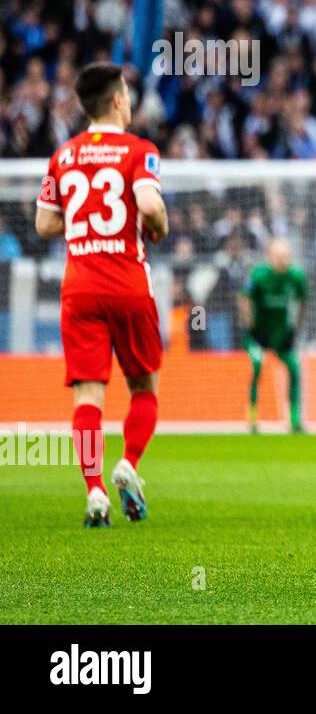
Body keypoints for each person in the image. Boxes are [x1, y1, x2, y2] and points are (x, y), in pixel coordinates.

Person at [34, 63, 168, 528]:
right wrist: (160, 225)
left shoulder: (64, 155)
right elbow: (149, 205)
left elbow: (44, 223)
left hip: (80, 287)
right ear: (117, 100)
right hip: (128, 284)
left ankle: (94, 492)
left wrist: (86, 220)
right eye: (127, 95)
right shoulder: (139, 150)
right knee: (144, 387)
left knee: (88, 396)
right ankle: (128, 464)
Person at [239, 238, 309, 434]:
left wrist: (295, 329)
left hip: (281, 336)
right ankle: (252, 416)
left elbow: (303, 302)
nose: (283, 260)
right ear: (269, 256)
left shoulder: (296, 277)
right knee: (257, 365)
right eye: (279, 256)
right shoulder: (258, 276)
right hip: (258, 335)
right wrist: (251, 326)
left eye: (286, 256)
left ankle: (294, 418)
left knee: (294, 368)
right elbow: (244, 298)